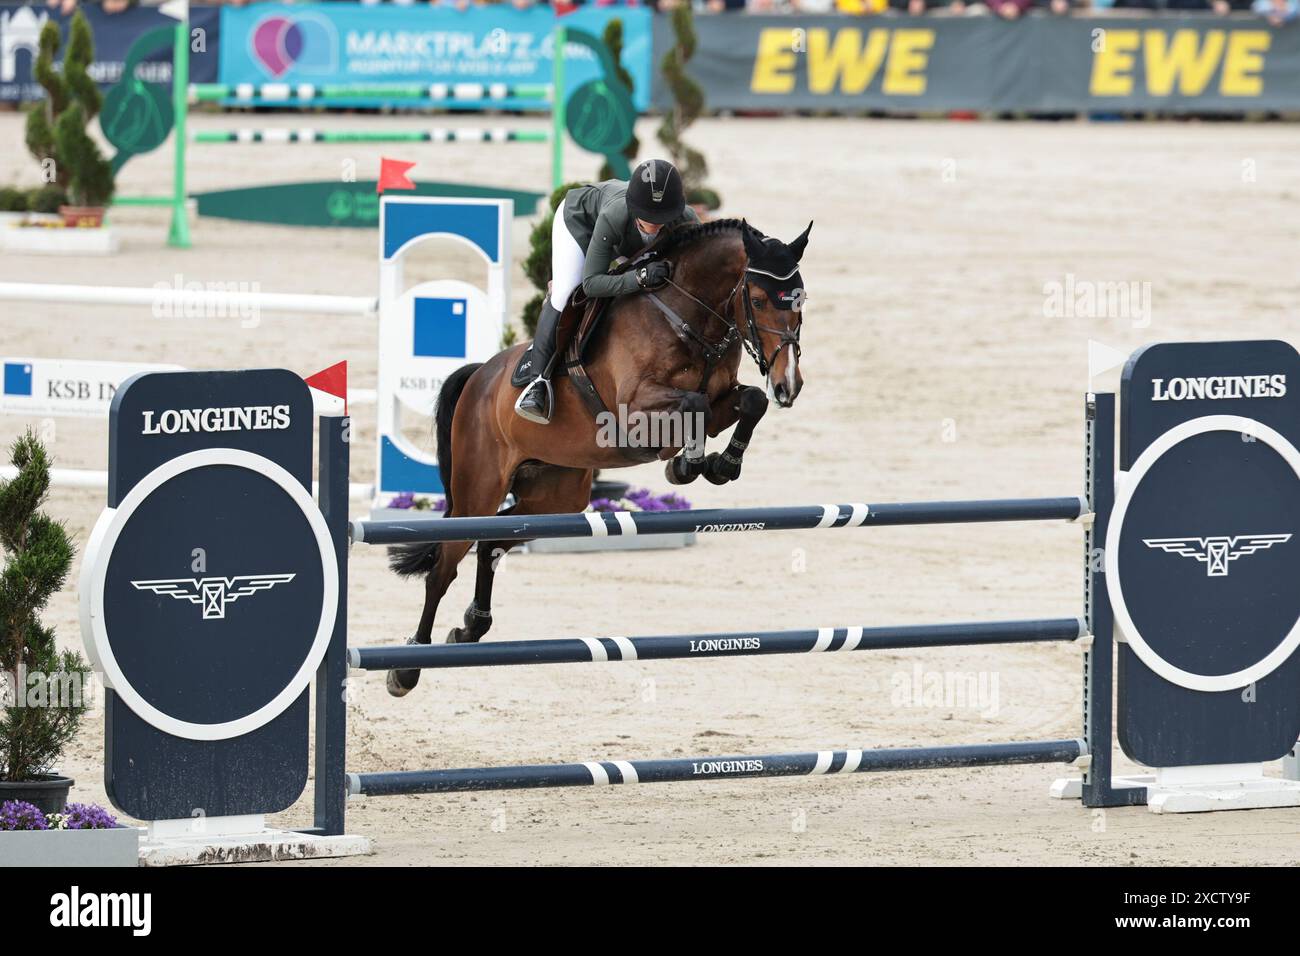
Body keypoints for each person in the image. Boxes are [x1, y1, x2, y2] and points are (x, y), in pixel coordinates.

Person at [514, 158, 699, 424]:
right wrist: (640, 277)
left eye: (662, 218)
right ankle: (538, 383)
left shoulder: (686, 219)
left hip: (625, 243)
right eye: (648, 217)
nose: (656, 224)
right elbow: (592, 283)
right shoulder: (616, 214)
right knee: (567, 291)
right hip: (581, 225)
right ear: (635, 208)